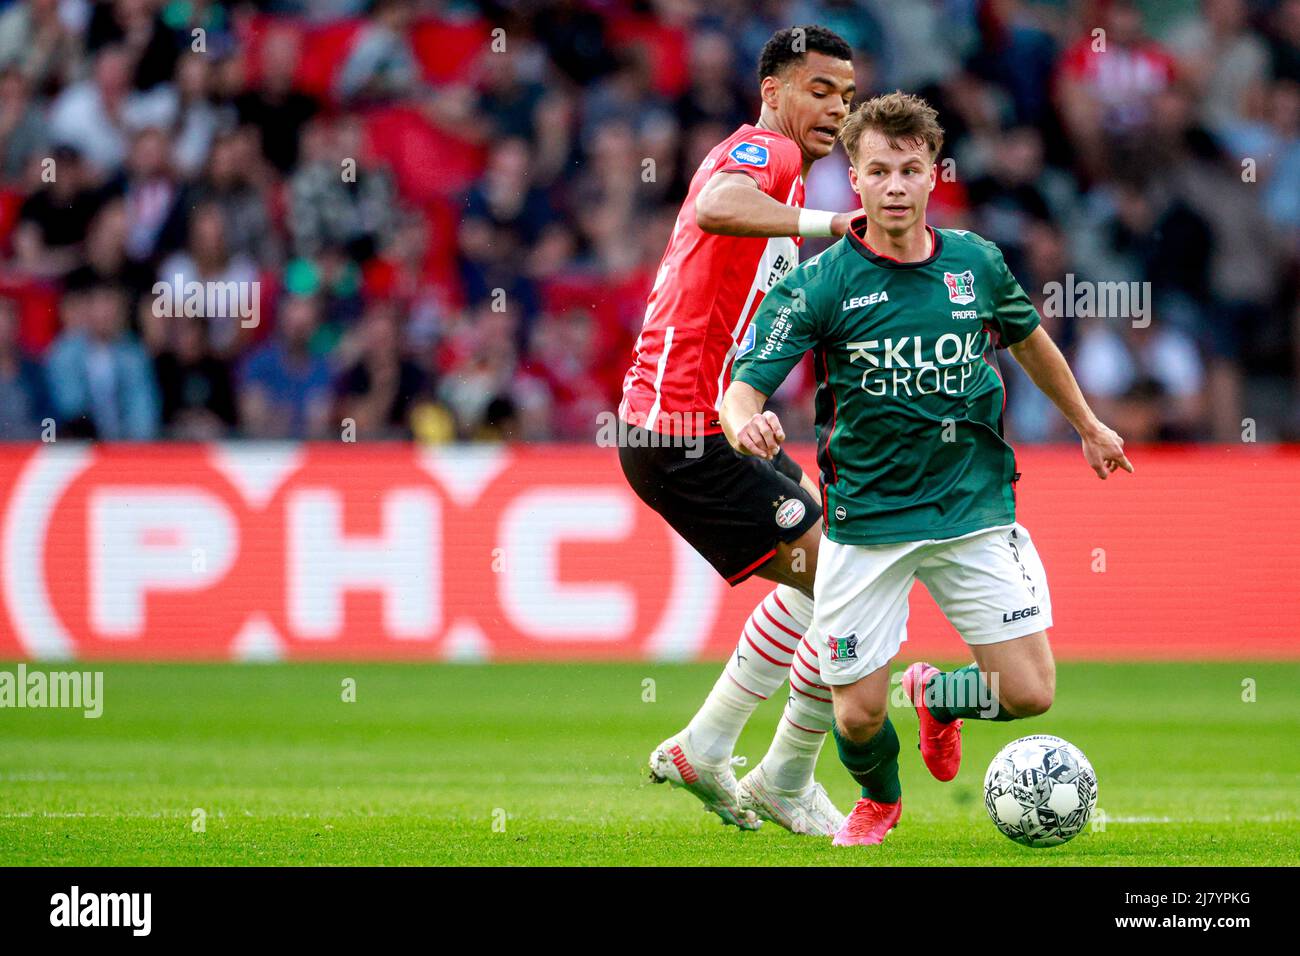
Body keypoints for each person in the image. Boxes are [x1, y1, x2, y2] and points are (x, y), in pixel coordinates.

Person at [723, 91, 1132, 846]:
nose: (896, 187)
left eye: (910, 170)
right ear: (856, 177)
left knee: (1031, 692)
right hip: (867, 524)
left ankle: (938, 697)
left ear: (932, 175)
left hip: (971, 509)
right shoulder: (821, 283)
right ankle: (880, 799)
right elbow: (741, 388)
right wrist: (747, 424)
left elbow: (1031, 340)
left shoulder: (975, 264)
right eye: (878, 171)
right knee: (855, 714)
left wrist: (1088, 424)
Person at [617, 25, 857, 834]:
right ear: (773, 93)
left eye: (845, 97)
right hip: (677, 435)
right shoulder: (769, 155)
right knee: (850, 580)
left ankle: (708, 745)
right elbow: (720, 203)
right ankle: (785, 776)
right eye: (818, 90)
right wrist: (830, 225)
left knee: (826, 568)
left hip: (690, 430)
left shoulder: (779, 186)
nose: (834, 109)